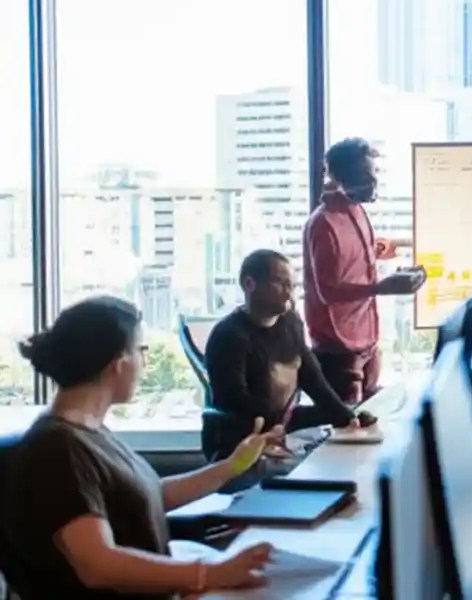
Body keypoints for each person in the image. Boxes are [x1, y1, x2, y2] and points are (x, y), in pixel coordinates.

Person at [2, 297, 282, 598]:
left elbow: (146, 496)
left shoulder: (88, 432)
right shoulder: (56, 449)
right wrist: (210, 574)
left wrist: (232, 466)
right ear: (118, 364)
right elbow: (98, 565)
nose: (144, 362)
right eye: (140, 350)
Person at [205, 249, 376, 462]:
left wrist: (346, 418)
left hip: (282, 424)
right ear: (249, 284)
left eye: (291, 285)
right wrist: (282, 430)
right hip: (242, 438)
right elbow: (232, 400)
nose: (288, 293)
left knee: (355, 418)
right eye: (280, 283)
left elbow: (312, 378)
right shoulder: (229, 336)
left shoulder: (290, 324)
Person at [304, 137, 424, 404]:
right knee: (348, 430)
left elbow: (350, 259)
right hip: (339, 348)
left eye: (374, 175)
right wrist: (383, 288)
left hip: (368, 341)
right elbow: (328, 291)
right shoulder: (322, 224)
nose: (373, 184)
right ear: (341, 177)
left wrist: (380, 250)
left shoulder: (357, 211)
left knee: (372, 417)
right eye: (365, 176)